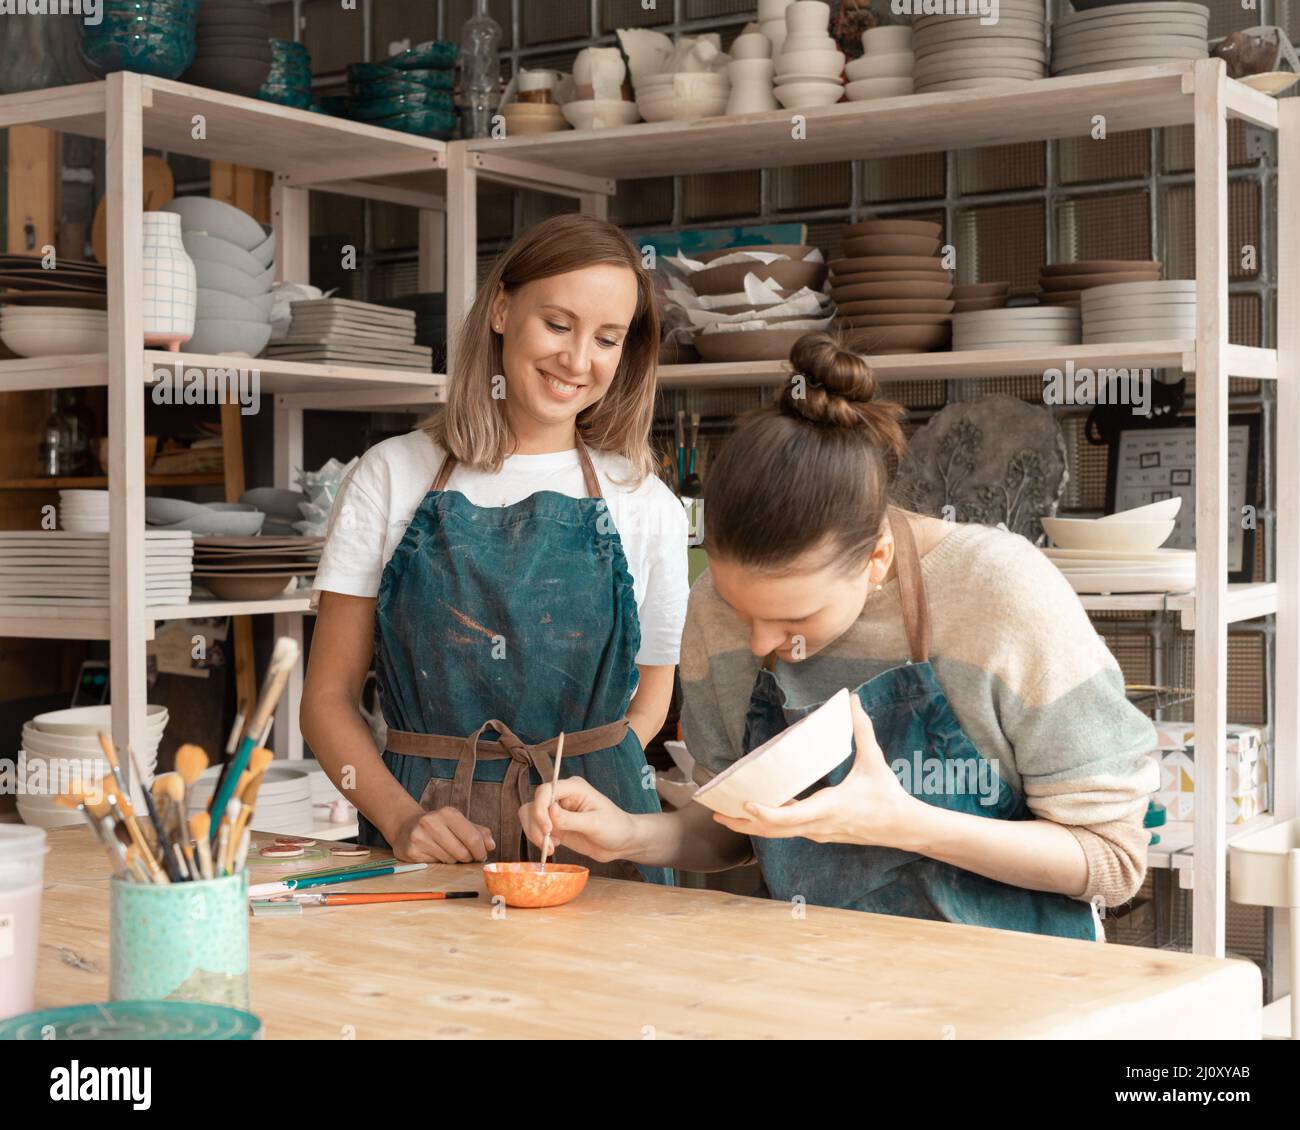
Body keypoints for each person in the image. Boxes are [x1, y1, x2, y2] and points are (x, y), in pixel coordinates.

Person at [521, 331, 1159, 938]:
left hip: (1011, 991)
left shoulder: (1000, 594)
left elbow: (1112, 860)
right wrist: (630, 833)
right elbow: (735, 829)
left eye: (795, 621)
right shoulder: (711, 607)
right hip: (814, 984)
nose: (759, 644)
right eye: (743, 611)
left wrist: (905, 825)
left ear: (877, 558)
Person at [302, 213, 688, 884]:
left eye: (607, 338)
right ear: (503, 308)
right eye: (559, 325)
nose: (577, 360)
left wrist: (596, 777)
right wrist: (401, 819)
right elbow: (326, 698)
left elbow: (653, 696)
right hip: (432, 839)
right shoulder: (393, 474)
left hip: (593, 841)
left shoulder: (644, 500)